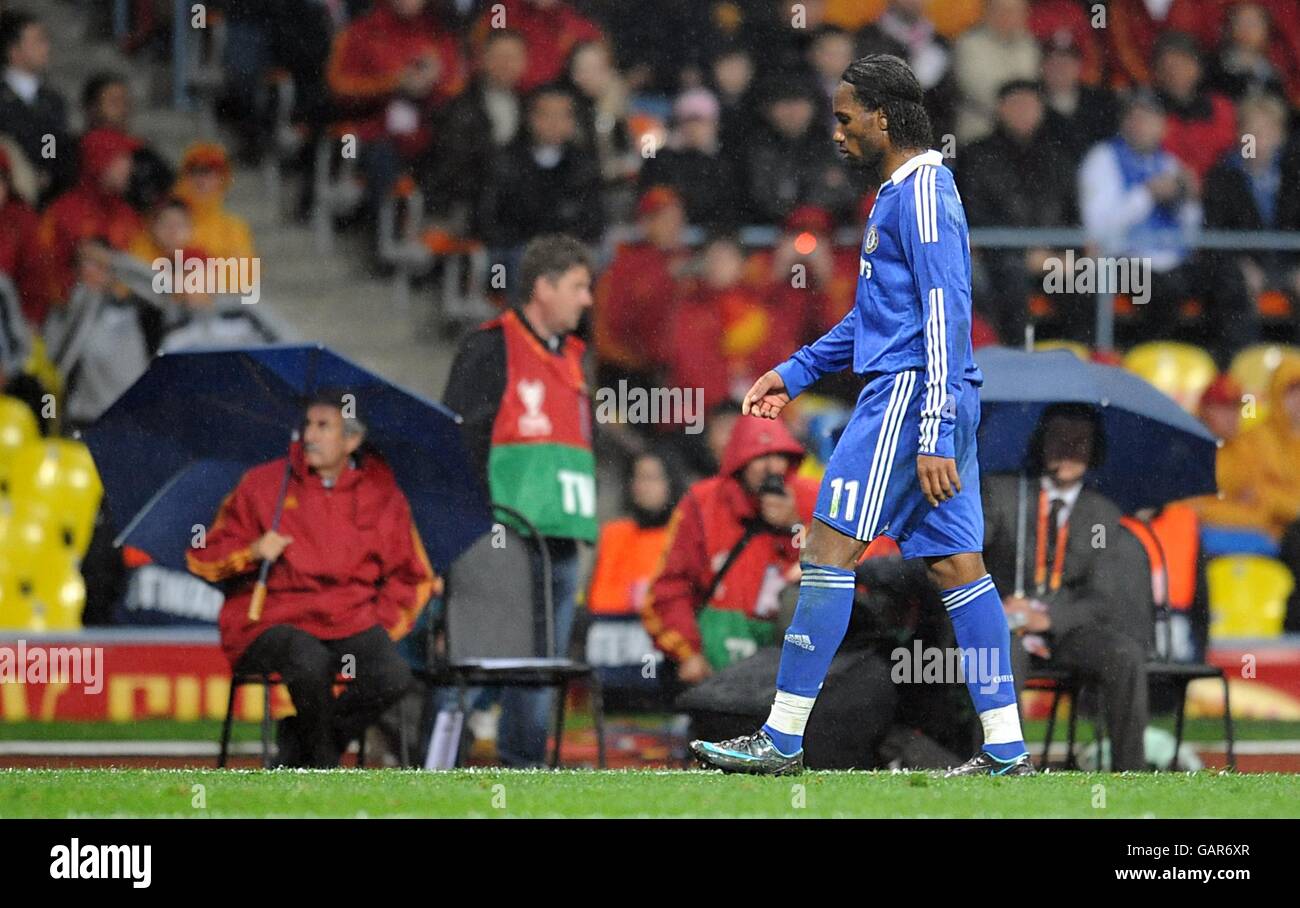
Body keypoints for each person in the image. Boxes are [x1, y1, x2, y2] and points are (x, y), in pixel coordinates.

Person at [691, 54, 1034, 777]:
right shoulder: (899, 195)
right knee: (956, 567)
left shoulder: (923, 194)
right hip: (931, 393)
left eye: (846, 118)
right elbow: (877, 318)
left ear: (883, 115)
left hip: (912, 399)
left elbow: (947, 314)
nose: (837, 133)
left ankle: (782, 738)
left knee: (827, 551)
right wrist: (798, 368)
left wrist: (934, 427)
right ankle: (1006, 747)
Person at [186, 390, 438, 767]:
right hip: (270, 621)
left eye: (324, 426)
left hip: (349, 621)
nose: (310, 435)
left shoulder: (383, 494)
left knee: (392, 673)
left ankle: (300, 746)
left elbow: (413, 576)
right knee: (309, 661)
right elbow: (201, 556)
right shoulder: (262, 484)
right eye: (307, 424)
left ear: (352, 440)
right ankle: (322, 765)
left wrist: (379, 626)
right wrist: (252, 551)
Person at [442, 234, 596, 766]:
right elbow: (458, 441)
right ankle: (435, 768)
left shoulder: (575, 357)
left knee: (542, 668)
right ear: (543, 287)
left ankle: (525, 776)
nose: (587, 300)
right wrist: (478, 529)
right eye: (578, 287)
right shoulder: (489, 347)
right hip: (500, 535)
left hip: (561, 537)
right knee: (480, 658)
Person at [982, 405, 1151, 771]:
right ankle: (1009, 765)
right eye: (1059, 438)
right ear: (1041, 443)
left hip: (1066, 632)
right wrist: (999, 606)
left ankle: (1132, 773)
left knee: (1124, 655)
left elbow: (1100, 597)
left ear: (1094, 450)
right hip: (1004, 624)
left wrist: (1048, 619)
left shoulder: (1102, 514)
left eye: (1080, 441)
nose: (1069, 449)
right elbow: (969, 561)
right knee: (1003, 650)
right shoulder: (1004, 494)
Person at [643, 414, 818, 681]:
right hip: (713, 674)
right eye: (759, 456)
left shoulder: (812, 498)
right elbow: (668, 588)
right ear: (739, 461)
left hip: (787, 669)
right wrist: (687, 653)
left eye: (779, 455)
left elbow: (828, 578)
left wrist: (793, 527)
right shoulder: (702, 504)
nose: (771, 468)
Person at [0, 10, 72, 203]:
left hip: (47, 197)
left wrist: (47, 168)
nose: (46, 47)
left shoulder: (52, 101)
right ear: (13, 50)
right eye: (37, 41)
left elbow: (51, 141)